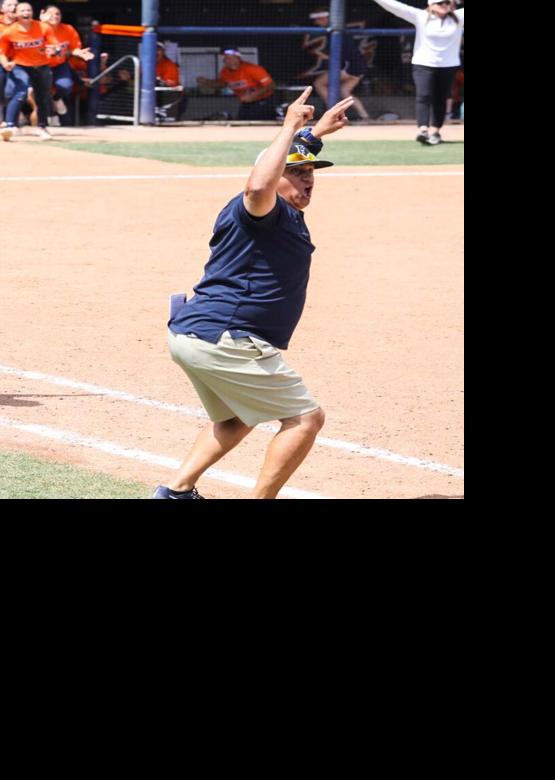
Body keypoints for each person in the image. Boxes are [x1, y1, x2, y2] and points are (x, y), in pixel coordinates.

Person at [153, 88, 355, 499]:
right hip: (227, 337)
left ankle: (176, 491)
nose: (308, 179)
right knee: (305, 419)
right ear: (274, 173)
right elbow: (259, 184)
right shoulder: (261, 209)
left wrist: (314, 134)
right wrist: (289, 125)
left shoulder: (284, 210)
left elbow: (280, 167)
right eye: (297, 172)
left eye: (311, 172)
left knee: (238, 416)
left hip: (199, 333)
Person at [370, 0, 462, 145]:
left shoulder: (458, 17)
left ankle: (436, 132)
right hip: (423, 63)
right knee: (423, 95)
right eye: (440, 3)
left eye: (447, 2)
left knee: (440, 98)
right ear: (431, 4)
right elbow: (395, 7)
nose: (445, 5)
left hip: (448, 65)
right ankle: (423, 130)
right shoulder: (421, 16)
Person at [0, 1, 51, 140]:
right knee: (21, 92)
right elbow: (1, 53)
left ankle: (42, 127)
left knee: (42, 97)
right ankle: (10, 126)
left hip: (41, 65)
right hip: (20, 65)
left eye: (28, 10)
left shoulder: (43, 27)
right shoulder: (9, 31)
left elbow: (53, 44)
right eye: (22, 11)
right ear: (16, 14)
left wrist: (53, 49)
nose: (26, 13)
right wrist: (5, 64)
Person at [307, 9, 372, 121]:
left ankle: (333, 114)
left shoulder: (336, 31)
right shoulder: (333, 31)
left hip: (350, 67)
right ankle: (364, 115)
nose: (317, 22)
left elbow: (341, 54)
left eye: (319, 19)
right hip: (358, 68)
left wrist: (323, 55)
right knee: (344, 91)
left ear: (326, 18)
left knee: (319, 83)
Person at [36, 5, 90, 126]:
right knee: (43, 91)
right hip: (41, 66)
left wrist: (78, 52)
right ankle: (48, 118)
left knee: (66, 86)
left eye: (57, 14)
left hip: (59, 64)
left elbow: (74, 48)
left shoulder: (68, 29)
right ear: (43, 14)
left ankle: (57, 98)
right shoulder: (36, 28)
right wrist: (41, 23)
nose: (54, 16)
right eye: (51, 13)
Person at [196, 48, 275, 122]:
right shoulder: (224, 72)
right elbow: (223, 84)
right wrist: (207, 82)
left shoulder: (252, 68)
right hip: (246, 103)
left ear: (239, 58)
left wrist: (253, 96)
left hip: (264, 101)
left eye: (234, 58)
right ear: (224, 61)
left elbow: (270, 85)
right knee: (240, 122)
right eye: (228, 59)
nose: (232, 61)